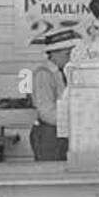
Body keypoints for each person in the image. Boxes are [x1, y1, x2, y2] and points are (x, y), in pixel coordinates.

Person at [29, 28, 79, 161]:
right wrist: (76, 122)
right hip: (50, 133)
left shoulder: (67, 72)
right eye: (67, 54)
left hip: (64, 130)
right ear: (53, 53)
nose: (71, 58)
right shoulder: (44, 74)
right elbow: (46, 112)